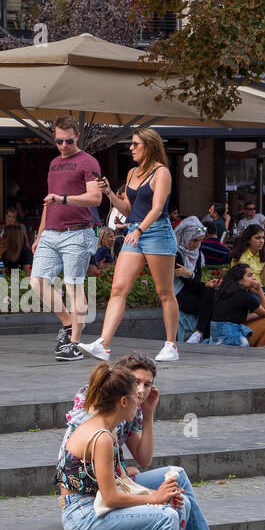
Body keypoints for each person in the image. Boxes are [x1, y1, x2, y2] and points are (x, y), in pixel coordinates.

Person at [63, 353, 252, 530]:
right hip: (86, 500)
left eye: (147, 384)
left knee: (179, 493)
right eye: (137, 383)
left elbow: (144, 459)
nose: (141, 391)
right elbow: (76, 452)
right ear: (121, 387)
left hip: (104, 486)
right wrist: (150, 494)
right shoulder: (98, 408)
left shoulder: (126, 412)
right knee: (167, 512)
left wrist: (148, 414)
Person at [55, 363, 201, 530]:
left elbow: (120, 483)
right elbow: (111, 497)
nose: (140, 402)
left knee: (181, 506)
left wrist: (162, 495)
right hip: (81, 516)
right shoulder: (101, 437)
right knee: (165, 517)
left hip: (93, 506)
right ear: (123, 401)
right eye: (136, 398)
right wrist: (155, 498)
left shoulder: (105, 429)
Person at [80, 128, 179, 363]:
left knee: (164, 292)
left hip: (156, 232)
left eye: (136, 144)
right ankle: (103, 345)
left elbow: (157, 208)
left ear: (149, 145)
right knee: (118, 289)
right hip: (135, 231)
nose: (131, 148)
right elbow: (127, 209)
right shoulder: (132, 173)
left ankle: (171, 345)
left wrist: (138, 230)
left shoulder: (161, 172)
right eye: (131, 144)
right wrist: (109, 195)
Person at [30, 117, 103, 362]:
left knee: (74, 287)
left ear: (77, 136)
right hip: (51, 232)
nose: (62, 145)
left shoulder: (88, 162)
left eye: (68, 141)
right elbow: (47, 202)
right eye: (58, 140)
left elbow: (95, 198)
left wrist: (63, 199)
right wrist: (40, 234)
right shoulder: (54, 163)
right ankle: (68, 323)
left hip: (77, 232)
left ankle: (74, 344)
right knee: (36, 282)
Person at [208, 262, 265, 346]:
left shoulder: (225, 291)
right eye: (249, 275)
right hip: (231, 339)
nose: (254, 278)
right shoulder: (245, 296)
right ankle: (258, 355)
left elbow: (238, 317)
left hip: (216, 338)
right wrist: (259, 291)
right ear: (240, 280)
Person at [173, 216, 218, 344]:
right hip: (177, 291)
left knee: (210, 292)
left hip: (191, 288)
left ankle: (198, 333)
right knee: (210, 305)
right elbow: (185, 280)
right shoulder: (176, 253)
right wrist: (190, 275)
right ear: (186, 236)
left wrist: (190, 274)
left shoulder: (197, 253)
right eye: (194, 240)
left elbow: (195, 278)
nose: (197, 244)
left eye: (200, 241)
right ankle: (204, 335)